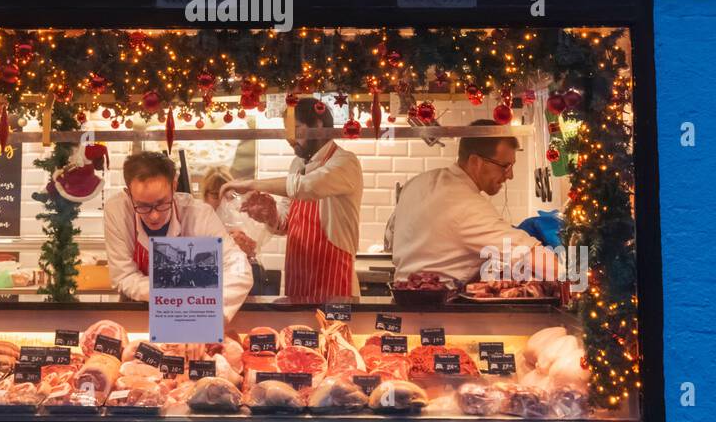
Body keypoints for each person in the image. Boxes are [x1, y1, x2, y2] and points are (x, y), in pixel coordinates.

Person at [221, 97, 363, 303]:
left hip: (334, 280)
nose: (290, 139)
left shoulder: (345, 162)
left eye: (296, 129)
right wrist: (270, 215)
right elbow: (287, 222)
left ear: (318, 126)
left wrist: (252, 184)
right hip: (298, 277)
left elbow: (308, 186)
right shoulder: (298, 164)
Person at [391, 119, 557, 284]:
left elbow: (390, 234)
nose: (510, 175)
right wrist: (571, 278)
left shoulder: (417, 183)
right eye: (505, 166)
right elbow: (527, 253)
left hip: (401, 301)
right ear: (476, 162)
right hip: (437, 303)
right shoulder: (466, 204)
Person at [104, 151, 252, 321]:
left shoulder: (199, 215)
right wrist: (173, 294)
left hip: (195, 312)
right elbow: (125, 276)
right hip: (138, 314)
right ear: (129, 193)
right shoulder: (118, 211)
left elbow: (238, 266)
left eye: (161, 203)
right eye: (143, 206)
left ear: (174, 186)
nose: (154, 216)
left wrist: (213, 311)